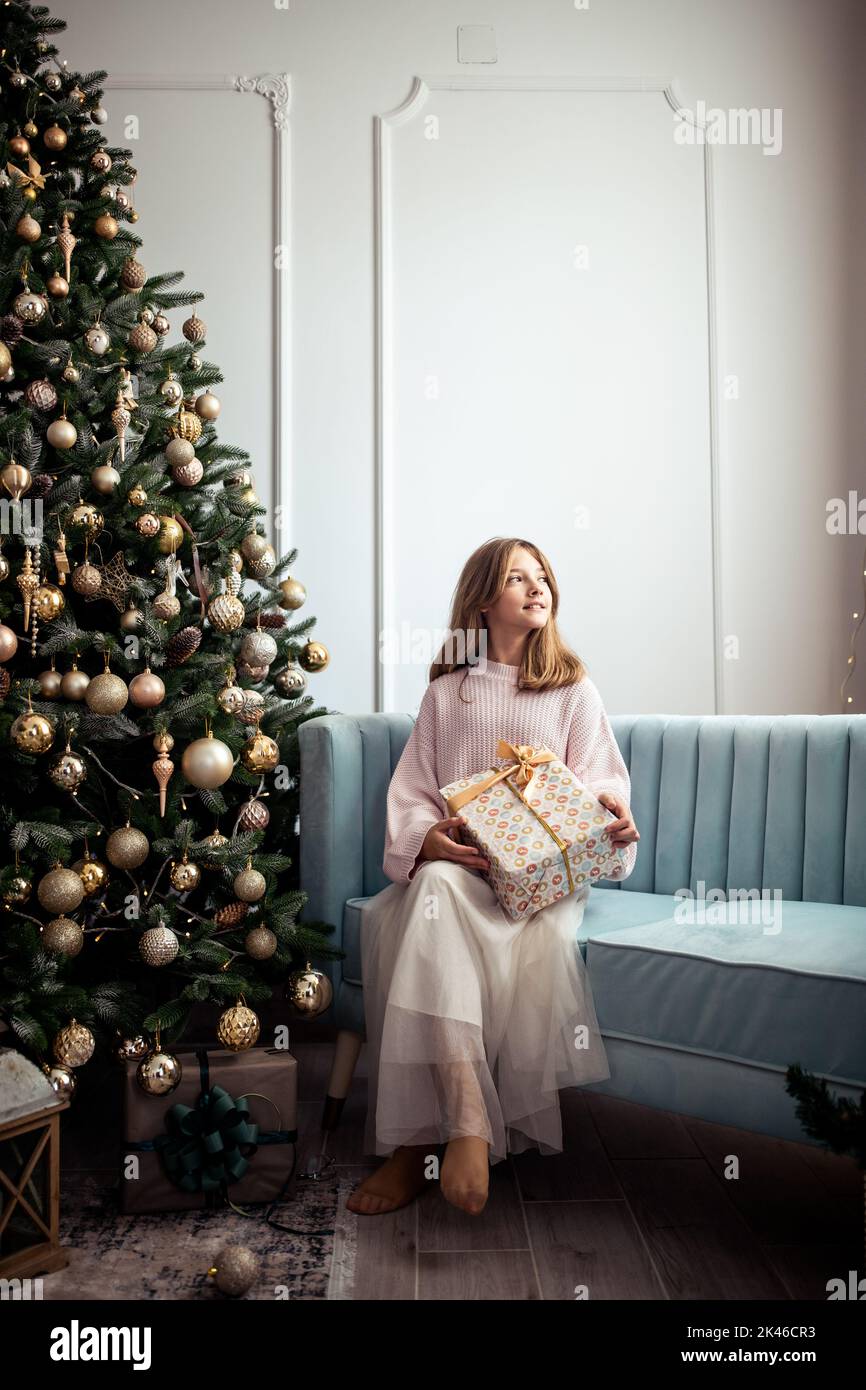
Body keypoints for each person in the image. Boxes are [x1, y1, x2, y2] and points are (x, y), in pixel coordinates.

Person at [346, 537, 640, 1218]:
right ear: (483, 599)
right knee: (433, 892)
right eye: (518, 578)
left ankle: (430, 1143)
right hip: (464, 878)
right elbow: (416, 792)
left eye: (544, 577)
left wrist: (612, 812)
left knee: (434, 903)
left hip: (538, 887)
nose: (538, 588)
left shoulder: (573, 690)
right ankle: (466, 1123)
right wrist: (432, 841)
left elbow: (599, 780)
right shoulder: (447, 697)